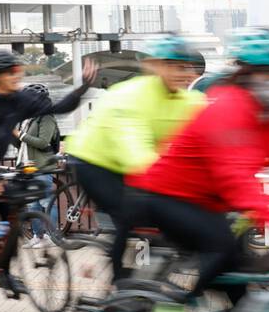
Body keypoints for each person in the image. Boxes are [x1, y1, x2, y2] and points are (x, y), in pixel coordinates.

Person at [116, 27, 269, 297]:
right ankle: (171, 311)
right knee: (220, 248)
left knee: (237, 277)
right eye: (264, 72)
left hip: (206, 201)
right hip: (165, 196)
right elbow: (238, 179)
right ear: (245, 74)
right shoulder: (228, 107)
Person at [0, 49, 99, 276]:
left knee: (12, 217)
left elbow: (56, 107)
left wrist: (83, 89)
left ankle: (4, 273)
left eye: (18, 70)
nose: (17, 76)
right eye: (10, 72)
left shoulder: (17, 99)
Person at [65, 34, 206, 232]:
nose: (186, 74)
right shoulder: (131, 96)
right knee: (129, 216)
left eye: (188, 67)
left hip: (124, 160)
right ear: (155, 67)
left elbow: (210, 126)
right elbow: (134, 150)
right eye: (177, 67)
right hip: (93, 161)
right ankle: (118, 261)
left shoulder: (187, 99)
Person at [13, 83, 62, 248]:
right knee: (33, 204)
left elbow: (42, 142)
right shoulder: (29, 118)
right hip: (28, 167)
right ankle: (38, 236)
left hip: (42, 166)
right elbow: (22, 144)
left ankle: (51, 236)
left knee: (46, 203)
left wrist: (20, 135)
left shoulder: (47, 117)